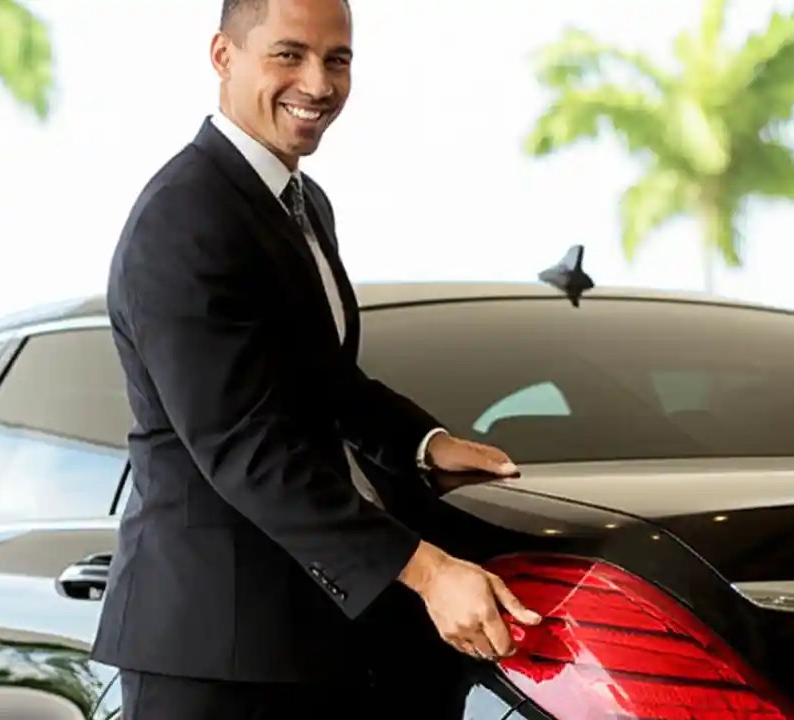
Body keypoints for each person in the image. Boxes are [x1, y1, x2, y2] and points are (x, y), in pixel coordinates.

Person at [91, 0, 542, 717]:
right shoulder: (184, 218)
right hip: (211, 650)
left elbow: (321, 379)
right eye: (288, 55)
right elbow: (246, 446)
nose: (319, 83)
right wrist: (427, 572)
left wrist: (424, 442)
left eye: (338, 59)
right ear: (222, 56)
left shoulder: (300, 202)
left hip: (306, 641)